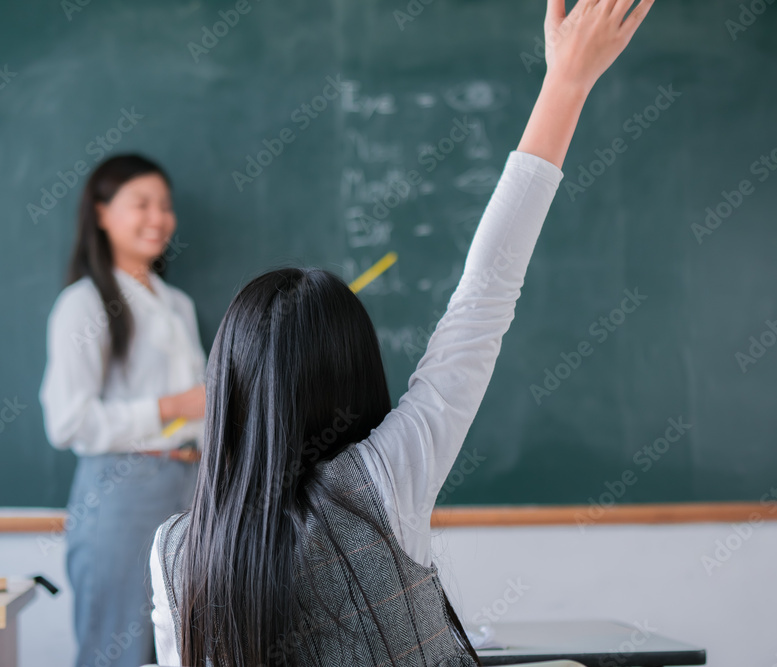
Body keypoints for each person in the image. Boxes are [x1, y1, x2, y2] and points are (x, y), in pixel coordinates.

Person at [151, 0, 655, 664]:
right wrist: (566, 81)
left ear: (229, 388)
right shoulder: (383, 481)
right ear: (354, 374)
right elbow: (485, 294)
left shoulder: (175, 550)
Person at [39, 154, 207, 667]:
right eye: (142, 204)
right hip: (122, 490)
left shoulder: (178, 305)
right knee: (115, 651)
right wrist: (172, 406)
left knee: (184, 649)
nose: (159, 218)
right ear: (101, 213)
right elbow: (68, 422)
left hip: (194, 489)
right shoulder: (83, 304)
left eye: (165, 206)